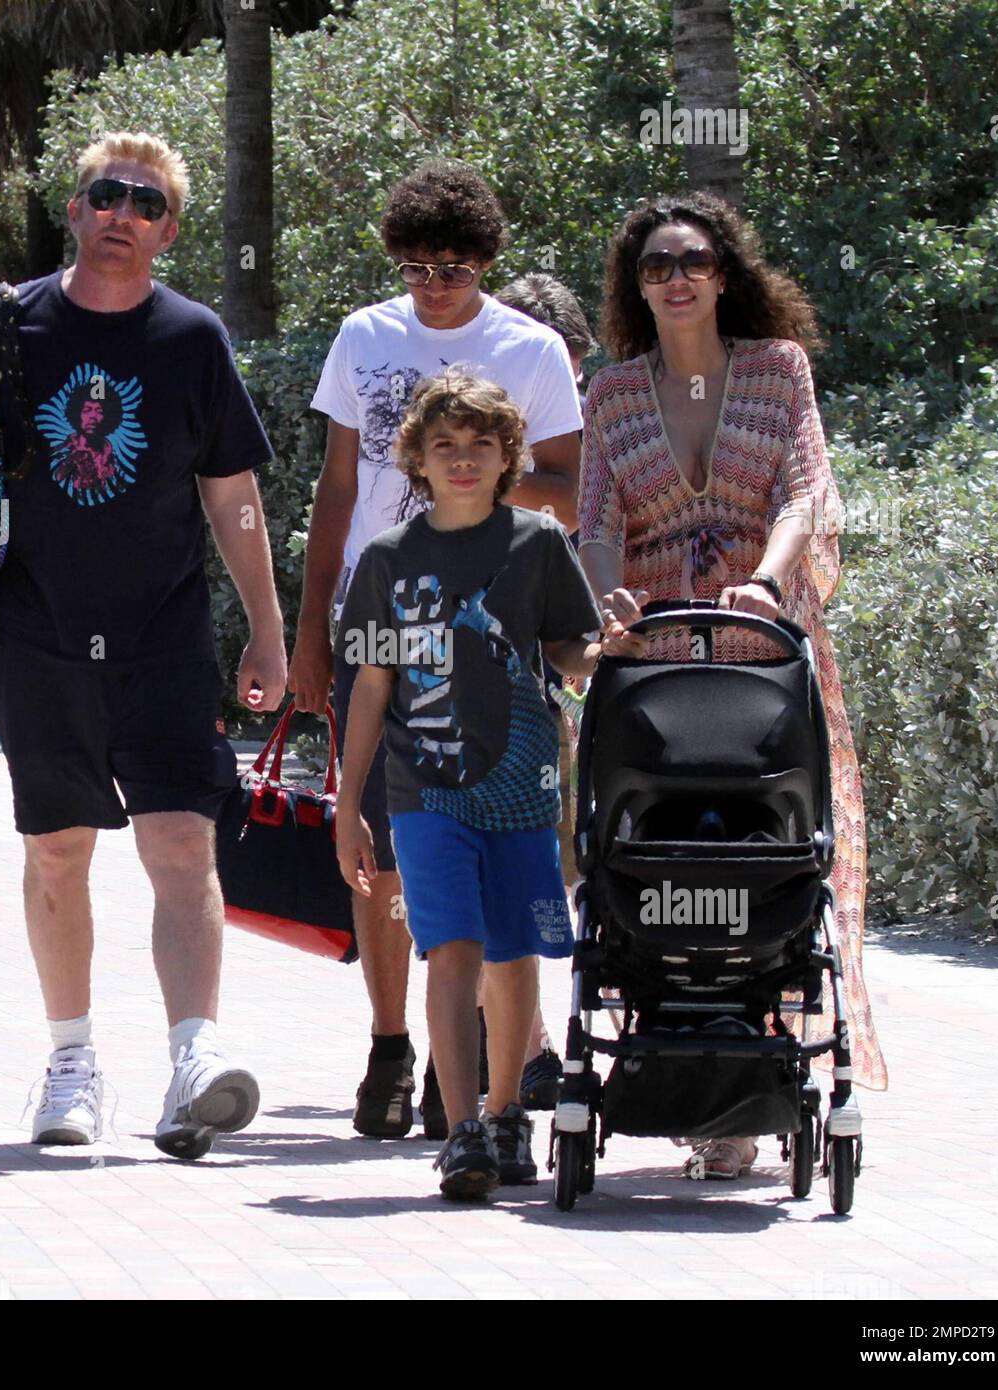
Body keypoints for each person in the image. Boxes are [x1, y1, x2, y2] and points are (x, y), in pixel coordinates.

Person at [0, 132, 287, 1161]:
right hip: (38, 633)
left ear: (168, 229)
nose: (123, 212)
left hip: (164, 635)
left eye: (145, 202)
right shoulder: (4, 320)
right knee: (58, 850)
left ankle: (194, 1060)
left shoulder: (193, 337)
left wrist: (267, 628)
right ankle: (71, 1063)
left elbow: (234, 496)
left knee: (180, 843)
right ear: (74, 209)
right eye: (104, 194)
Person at [577, 190, 887, 1179]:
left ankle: (748, 1079)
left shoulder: (776, 370)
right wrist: (606, 601)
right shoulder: (613, 393)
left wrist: (767, 574)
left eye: (693, 260)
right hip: (656, 658)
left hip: (759, 647)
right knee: (660, 845)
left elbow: (805, 489)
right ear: (638, 283)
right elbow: (592, 523)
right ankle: (674, 1055)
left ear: (724, 274)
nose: (676, 277)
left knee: (766, 849)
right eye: (656, 263)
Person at [289, 160, 583, 1141]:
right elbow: (336, 489)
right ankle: (387, 1043)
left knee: (492, 842)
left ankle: (479, 1080)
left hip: (497, 627)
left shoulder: (533, 349)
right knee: (379, 848)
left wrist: (476, 476)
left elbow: (572, 491)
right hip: (382, 610)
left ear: (489, 258)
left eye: (453, 266)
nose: (434, 284)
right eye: (415, 265)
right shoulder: (364, 337)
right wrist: (308, 632)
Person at [334, 373, 602, 1199]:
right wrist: (349, 805)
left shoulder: (537, 543)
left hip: (522, 787)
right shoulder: (386, 561)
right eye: (443, 446)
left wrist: (604, 655)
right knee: (450, 947)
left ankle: (505, 1111)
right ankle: (459, 1135)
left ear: (506, 458)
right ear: (415, 457)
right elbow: (372, 686)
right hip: (424, 793)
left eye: (480, 447)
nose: (461, 461)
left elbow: (569, 649)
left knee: (514, 952)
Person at [494, 272, 599, 1109]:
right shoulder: (461, 426)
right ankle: (515, 1049)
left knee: (561, 861)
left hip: (577, 663)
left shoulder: (595, 425)